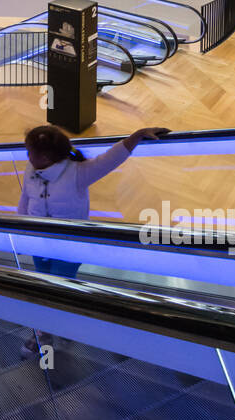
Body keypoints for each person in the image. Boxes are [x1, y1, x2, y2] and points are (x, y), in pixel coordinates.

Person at [17, 123, 170, 357]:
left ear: (46, 156)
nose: (27, 156)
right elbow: (25, 200)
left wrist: (137, 135)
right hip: (38, 245)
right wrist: (19, 229)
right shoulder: (31, 168)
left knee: (54, 291)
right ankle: (60, 326)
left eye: (31, 151)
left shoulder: (77, 173)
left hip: (69, 249)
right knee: (44, 286)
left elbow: (110, 159)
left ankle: (44, 333)